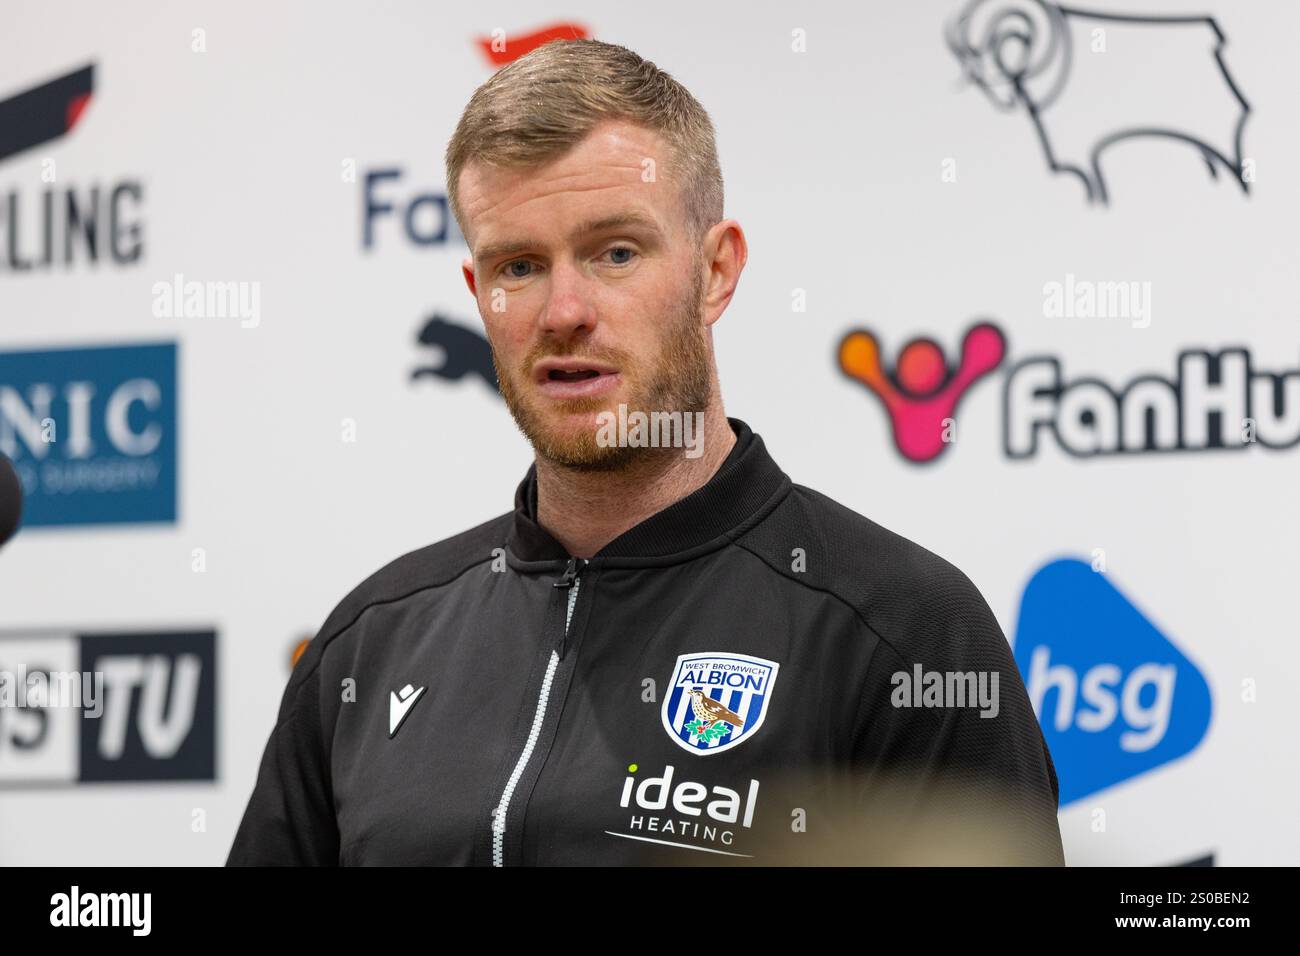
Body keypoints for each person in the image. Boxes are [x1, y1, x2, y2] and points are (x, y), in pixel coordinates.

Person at [227, 38, 1064, 866]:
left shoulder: (903, 632)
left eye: (615, 252)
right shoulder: (372, 642)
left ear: (716, 271)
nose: (563, 311)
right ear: (478, 296)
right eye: (517, 265)